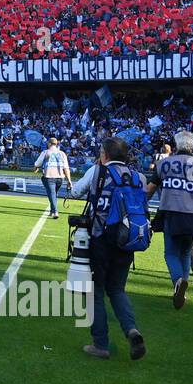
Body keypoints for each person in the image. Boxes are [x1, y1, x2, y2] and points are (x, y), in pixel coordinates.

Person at [69, 136, 147, 361]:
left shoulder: (97, 172)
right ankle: (131, 330)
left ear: (104, 154)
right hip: (127, 239)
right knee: (117, 289)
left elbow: (75, 192)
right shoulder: (137, 177)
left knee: (95, 292)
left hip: (100, 239)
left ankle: (100, 344)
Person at [146, 130, 193, 306]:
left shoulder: (164, 164)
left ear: (176, 144)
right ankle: (182, 288)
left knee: (170, 252)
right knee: (186, 251)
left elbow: (149, 190)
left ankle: (178, 282)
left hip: (170, 211)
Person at [33, 137, 72, 219]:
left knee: (52, 194)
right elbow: (66, 168)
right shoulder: (62, 154)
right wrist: (69, 180)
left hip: (49, 176)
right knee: (54, 194)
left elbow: (37, 163)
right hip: (60, 178)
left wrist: (36, 168)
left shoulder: (46, 152)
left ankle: (55, 211)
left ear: (49, 144)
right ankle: (52, 211)